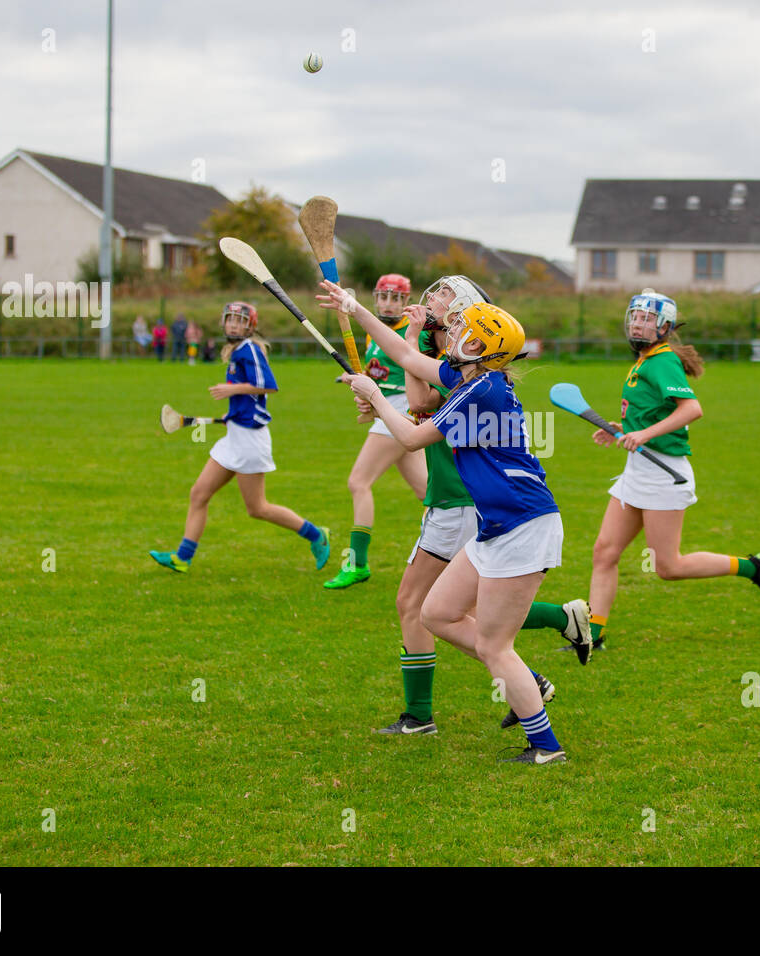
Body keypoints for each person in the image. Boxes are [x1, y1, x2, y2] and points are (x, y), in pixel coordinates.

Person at [321, 278, 584, 765]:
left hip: (524, 526)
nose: (456, 327)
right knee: (435, 613)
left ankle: (545, 746)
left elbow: (412, 437)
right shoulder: (472, 377)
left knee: (493, 642)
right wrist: (354, 308)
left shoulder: (479, 390)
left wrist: (376, 398)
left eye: (465, 326)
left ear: (482, 346)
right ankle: (522, 678)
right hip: (496, 526)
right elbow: (405, 355)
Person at [557, 289, 760, 657]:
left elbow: (692, 409)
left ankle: (754, 566)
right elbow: (652, 410)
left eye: (646, 319)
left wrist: (643, 434)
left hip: (665, 474)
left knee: (669, 566)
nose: (637, 324)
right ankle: (593, 635)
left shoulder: (661, 361)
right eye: (634, 317)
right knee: (605, 551)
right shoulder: (645, 360)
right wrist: (622, 426)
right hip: (639, 470)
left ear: (665, 327)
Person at [148, 301, 330, 574]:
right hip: (236, 435)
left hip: (249, 441)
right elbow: (251, 399)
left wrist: (231, 392)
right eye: (230, 319)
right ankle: (182, 557)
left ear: (250, 325)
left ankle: (316, 535)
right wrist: (234, 411)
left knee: (257, 508)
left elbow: (268, 386)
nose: (233, 324)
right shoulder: (237, 352)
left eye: (239, 320)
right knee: (199, 494)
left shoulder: (250, 350)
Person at [323, 274, 428, 590]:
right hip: (389, 408)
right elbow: (379, 376)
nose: (388, 303)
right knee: (429, 492)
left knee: (359, 481)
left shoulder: (410, 333)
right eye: (383, 296)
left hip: (400, 412)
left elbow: (415, 369)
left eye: (395, 298)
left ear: (406, 301)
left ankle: (357, 563)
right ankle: (467, 540)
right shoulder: (373, 335)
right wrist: (361, 387)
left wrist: (378, 398)